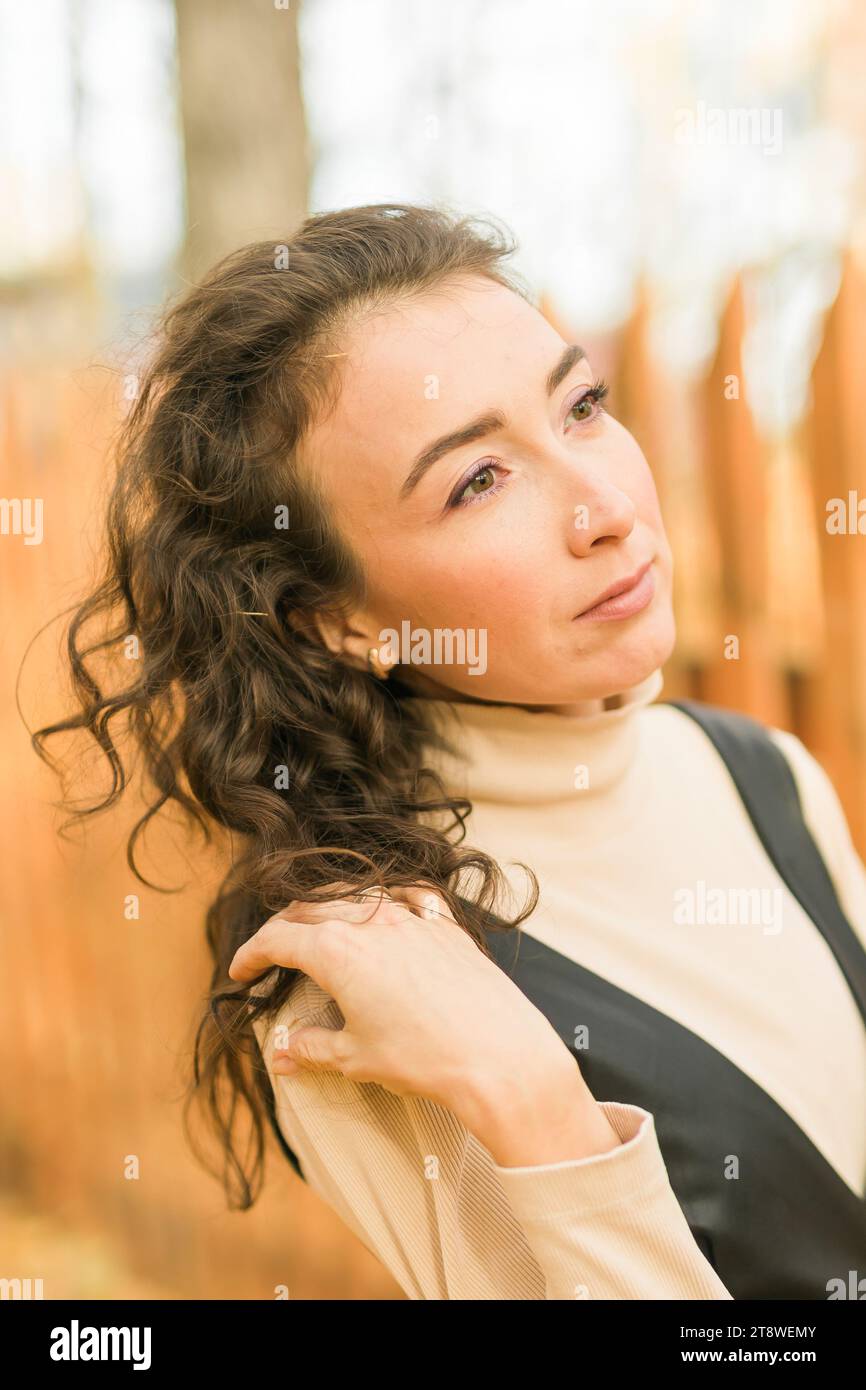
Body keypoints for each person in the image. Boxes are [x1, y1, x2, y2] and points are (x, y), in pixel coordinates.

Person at [33, 202, 866, 1300]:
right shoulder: (376, 986)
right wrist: (534, 1110)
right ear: (338, 619)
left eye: (579, 407)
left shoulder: (757, 773)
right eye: (477, 480)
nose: (606, 504)